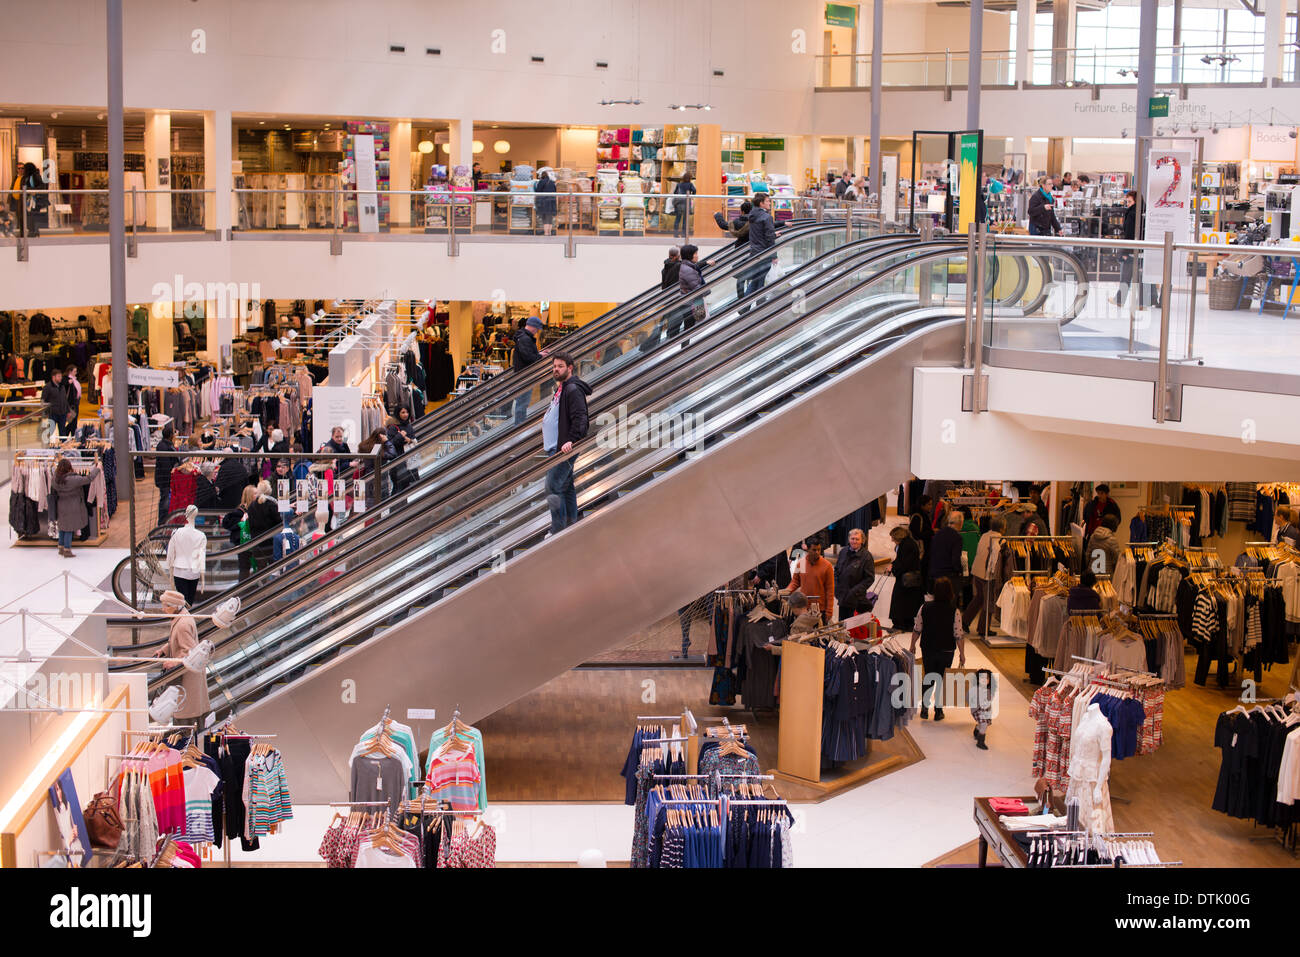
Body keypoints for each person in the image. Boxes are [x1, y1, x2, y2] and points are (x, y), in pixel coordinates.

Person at [542, 352, 592, 535]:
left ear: (570, 368)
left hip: (563, 447)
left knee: (552, 487)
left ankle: (558, 530)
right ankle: (571, 525)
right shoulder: (563, 388)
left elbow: (581, 418)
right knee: (565, 486)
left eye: (560, 366)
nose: (556, 369)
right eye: (554, 366)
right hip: (557, 446)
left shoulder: (572, 389)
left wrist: (571, 440)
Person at [911, 577, 965, 720]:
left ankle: (924, 707)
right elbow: (958, 634)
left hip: (928, 647)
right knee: (942, 678)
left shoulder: (925, 607)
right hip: (946, 650)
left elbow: (917, 629)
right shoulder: (955, 611)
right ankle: (938, 711)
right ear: (950, 593)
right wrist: (962, 653)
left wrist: (912, 645)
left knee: (928, 676)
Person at [156, 589, 209, 721]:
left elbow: (190, 651)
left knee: (186, 714)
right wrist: (164, 649)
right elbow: (176, 640)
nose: (163, 609)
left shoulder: (182, 625)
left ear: (174, 606)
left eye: (165, 606)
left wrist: (174, 662)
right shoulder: (182, 617)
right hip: (189, 674)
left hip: (187, 677)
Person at [1115, 190, 1159, 308]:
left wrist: (1125, 251)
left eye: (1129, 201)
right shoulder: (1146, 212)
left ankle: (1121, 300)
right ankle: (1149, 299)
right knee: (1143, 275)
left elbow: (1129, 234)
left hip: (1132, 250)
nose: (1128, 204)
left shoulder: (1131, 214)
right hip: (1144, 249)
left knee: (1127, 274)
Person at [50, 457, 101, 558]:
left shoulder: (56, 479)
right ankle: (67, 550)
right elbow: (89, 478)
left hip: (61, 505)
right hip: (72, 505)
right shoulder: (73, 479)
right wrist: (97, 468)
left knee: (62, 527)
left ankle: (61, 547)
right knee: (69, 528)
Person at [963, 514, 1005, 633]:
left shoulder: (984, 535)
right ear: (1003, 527)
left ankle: (965, 621)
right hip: (988, 574)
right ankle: (983, 628)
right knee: (989, 601)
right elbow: (996, 559)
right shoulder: (1000, 540)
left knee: (979, 598)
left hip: (977, 570)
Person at [785, 537, 834, 625]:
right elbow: (795, 581)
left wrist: (829, 610)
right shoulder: (801, 563)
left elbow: (830, 590)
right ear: (807, 549)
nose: (817, 552)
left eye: (819, 550)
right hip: (803, 608)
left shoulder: (827, 566)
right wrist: (786, 591)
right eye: (814, 550)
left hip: (820, 609)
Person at [166, 504, 207, 605]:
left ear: (185, 515)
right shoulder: (201, 536)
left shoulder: (176, 533)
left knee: (181, 602)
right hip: (194, 571)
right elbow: (202, 558)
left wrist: (170, 574)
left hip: (179, 570)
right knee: (189, 601)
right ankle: (186, 619)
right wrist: (203, 579)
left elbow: (171, 554)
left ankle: (184, 619)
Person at [887, 525, 925, 634]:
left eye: (893, 538)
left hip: (905, 580)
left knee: (900, 601)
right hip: (911, 580)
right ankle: (907, 624)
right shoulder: (909, 543)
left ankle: (899, 625)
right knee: (909, 603)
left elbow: (903, 563)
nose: (892, 540)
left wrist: (894, 568)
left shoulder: (906, 545)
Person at [739, 192, 777, 300]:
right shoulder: (767, 217)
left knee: (756, 281)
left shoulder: (752, 216)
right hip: (765, 253)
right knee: (760, 284)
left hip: (754, 252)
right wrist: (774, 255)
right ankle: (757, 308)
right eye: (768, 201)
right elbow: (769, 238)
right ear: (761, 203)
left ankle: (744, 308)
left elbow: (759, 233)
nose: (770, 203)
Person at [834, 528, 876, 621]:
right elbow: (836, 570)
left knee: (853, 627)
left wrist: (854, 592)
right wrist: (836, 587)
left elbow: (869, 578)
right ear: (849, 539)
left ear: (862, 541)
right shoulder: (843, 552)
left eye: (857, 539)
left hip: (856, 600)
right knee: (841, 624)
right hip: (842, 597)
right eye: (852, 538)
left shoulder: (867, 556)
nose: (854, 541)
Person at [510, 315, 546, 423]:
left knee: (522, 402)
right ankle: (519, 426)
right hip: (525, 376)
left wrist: (538, 354)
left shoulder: (523, 337)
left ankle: (519, 425)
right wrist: (539, 356)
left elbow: (527, 354)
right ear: (533, 327)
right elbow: (528, 357)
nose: (536, 332)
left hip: (523, 375)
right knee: (522, 403)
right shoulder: (525, 339)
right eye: (537, 329)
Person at [672, 244, 709, 342]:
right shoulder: (688, 270)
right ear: (690, 255)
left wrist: (706, 263)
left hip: (689, 302)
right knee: (690, 328)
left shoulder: (687, 267)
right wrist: (706, 291)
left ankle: (687, 347)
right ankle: (686, 348)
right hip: (691, 303)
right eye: (695, 253)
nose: (697, 255)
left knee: (691, 327)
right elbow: (697, 288)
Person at [246, 479, 280, 571]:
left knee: (261, 569)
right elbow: (279, 521)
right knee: (275, 568)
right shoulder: (271, 504)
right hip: (270, 542)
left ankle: (263, 585)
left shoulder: (251, 506)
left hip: (257, 542)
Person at [928, 510, 965, 593]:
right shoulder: (957, 537)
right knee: (949, 600)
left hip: (935, 572)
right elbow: (955, 558)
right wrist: (959, 571)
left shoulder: (938, 534)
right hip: (948, 575)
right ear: (959, 523)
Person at [11, 161, 48, 237]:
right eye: (20, 168)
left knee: (31, 218)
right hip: (22, 200)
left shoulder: (35, 176)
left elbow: (41, 187)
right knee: (22, 217)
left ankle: (32, 233)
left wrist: (30, 190)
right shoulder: (24, 177)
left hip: (32, 201)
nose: (22, 170)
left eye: (23, 168)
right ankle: (23, 234)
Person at [153, 424, 178, 524]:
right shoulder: (163, 446)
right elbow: (165, 465)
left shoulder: (166, 444)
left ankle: (164, 522)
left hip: (166, 479)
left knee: (166, 500)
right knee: (165, 501)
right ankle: (162, 523)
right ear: (171, 434)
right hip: (165, 480)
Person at [40, 367, 72, 443]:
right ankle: (46, 446)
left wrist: (68, 410)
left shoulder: (62, 387)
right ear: (53, 377)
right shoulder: (47, 387)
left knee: (62, 432)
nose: (61, 378)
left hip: (62, 413)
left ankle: (63, 447)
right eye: (59, 376)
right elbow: (43, 401)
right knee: (50, 431)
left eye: (61, 376)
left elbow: (65, 400)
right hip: (53, 413)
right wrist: (46, 412)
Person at [214, 445, 249, 509]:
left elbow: (218, 485)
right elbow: (246, 484)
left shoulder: (224, 467)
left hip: (227, 500)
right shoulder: (242, 467)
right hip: (239, 499)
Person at [908, 493, 934, 560]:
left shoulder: (924, 515)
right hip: (921, 547)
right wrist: (932, 532)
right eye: (929, 504)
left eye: (931, 504)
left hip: (925, 546)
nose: (931, 506)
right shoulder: (917, 517)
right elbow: (917, 535)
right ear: (922, 505)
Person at [671, 172, 695, 238]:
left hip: (679, 204)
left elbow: (675, 193)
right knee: (685, 220)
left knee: (677, 219)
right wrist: (691, 195)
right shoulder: (690, 184)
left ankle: (675, 234)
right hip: (686, 203)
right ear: (690, 178)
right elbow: (694, 191)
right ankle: (684, 234)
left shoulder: (679, 184)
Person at [535, 166, 557, 235]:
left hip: (543, 202)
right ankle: (549, 232)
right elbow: (555, 191)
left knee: (544, 218)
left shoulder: (541, 182)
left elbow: (538, 191)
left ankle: (546, 232)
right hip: (552, 201)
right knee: (549, 218)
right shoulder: (552, 182)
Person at [62, 366, 82, 432]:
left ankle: (71, 436)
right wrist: (68, 382)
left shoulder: (74, 379)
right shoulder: (66, 379)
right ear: (70, 371)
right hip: (70, 404)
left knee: (74, 421)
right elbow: (62, 385)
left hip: (75, 403)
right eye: (74, 371)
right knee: (72, 421)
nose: (76, 373)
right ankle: (66, 434)